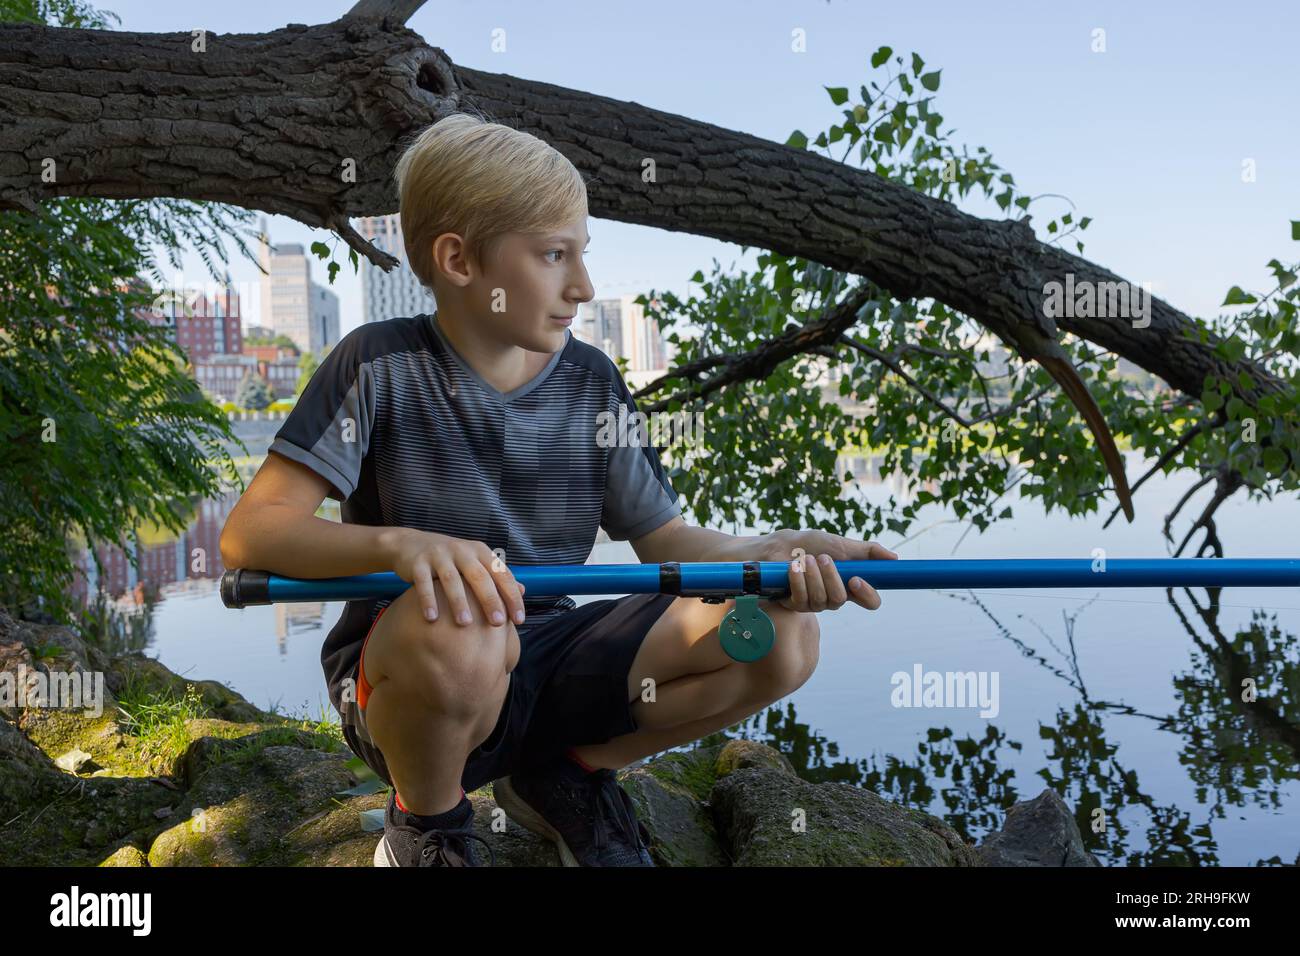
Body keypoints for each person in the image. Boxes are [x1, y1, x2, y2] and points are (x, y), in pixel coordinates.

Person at [218, 112, 896, 868]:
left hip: (550, 656)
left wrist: (769, 555)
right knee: (471, 626)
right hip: (414, 678)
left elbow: (668, 543)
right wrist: (403, 547)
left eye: (582, 254)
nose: (583, 284)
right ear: (459, 260)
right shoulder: (375, 364)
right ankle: (426, 825)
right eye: (553, 254)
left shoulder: (593, 382)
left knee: (779, 636)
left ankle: (565, 777)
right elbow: (251, 533)